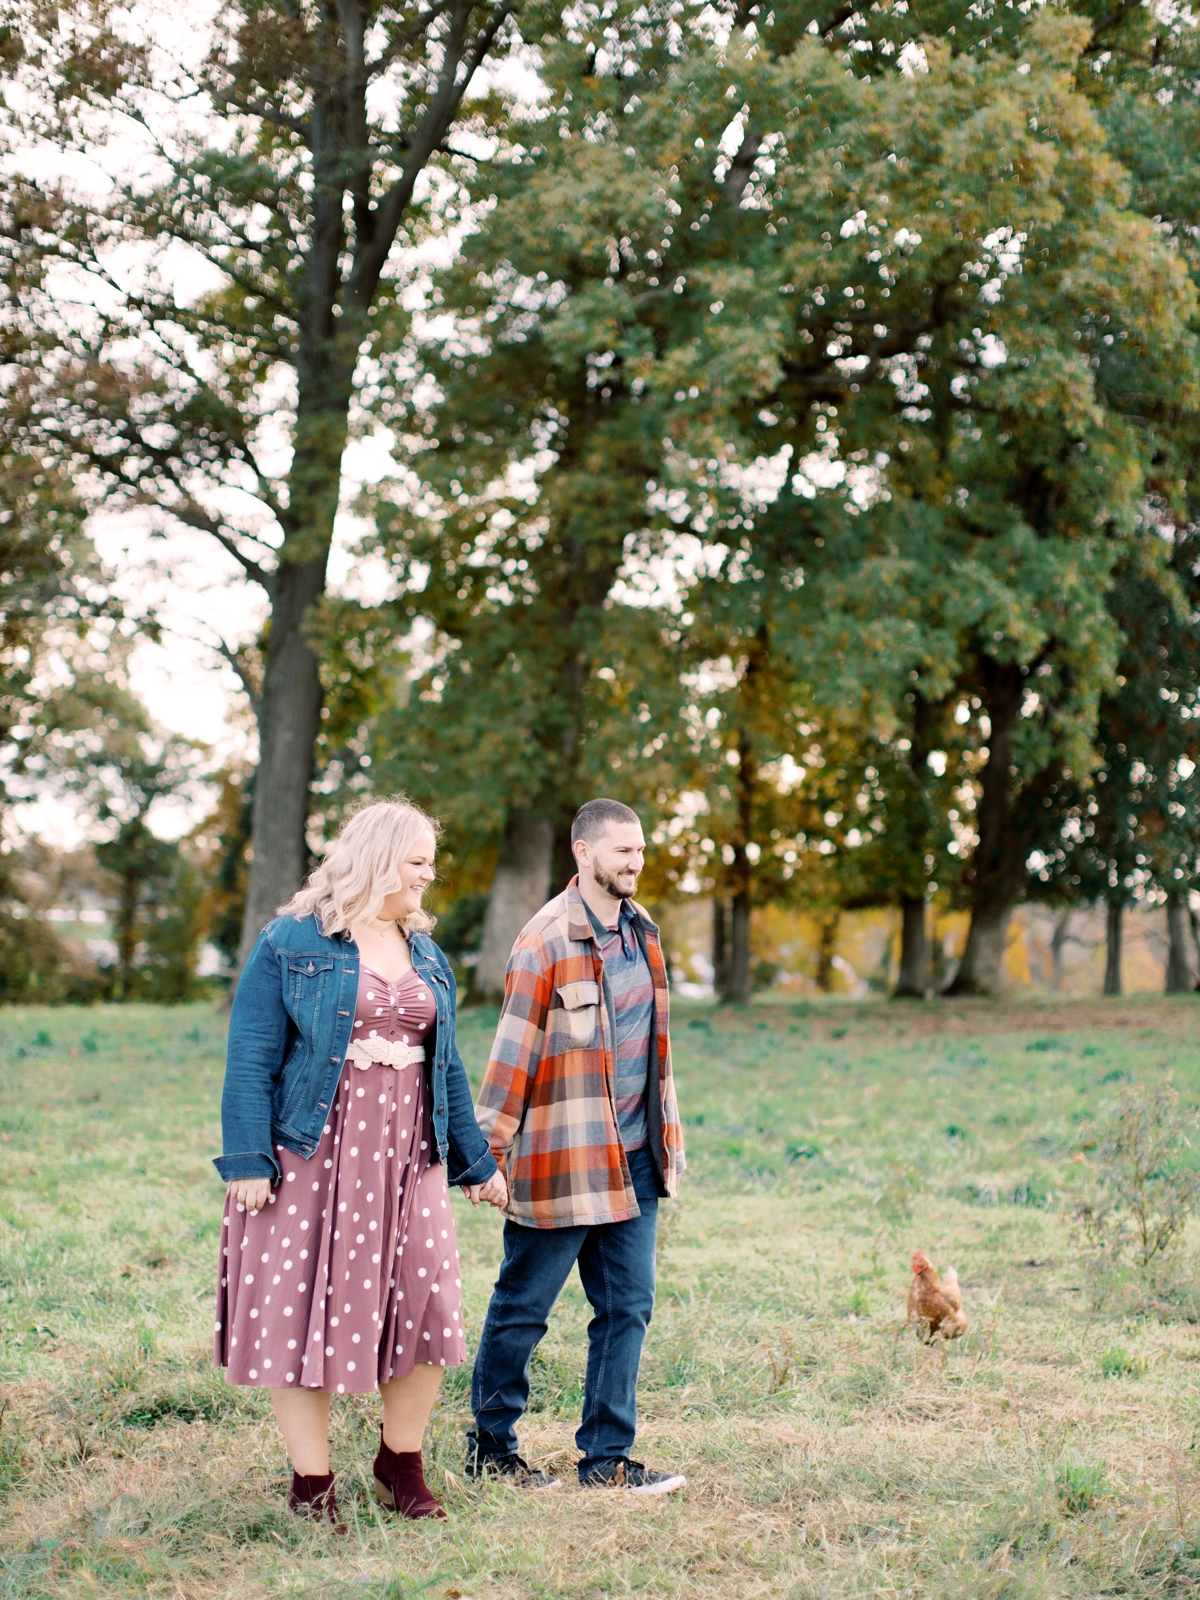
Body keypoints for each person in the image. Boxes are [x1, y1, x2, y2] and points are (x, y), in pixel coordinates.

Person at [213, 798, 507, 1529]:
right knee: (299, 1310)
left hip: (412, 1155)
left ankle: (398, 1462)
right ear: (378, 859)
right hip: (313, 1154)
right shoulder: (290, 941)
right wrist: (249, 1159)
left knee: (429, 1305)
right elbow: (250, 1054)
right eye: (417, 862)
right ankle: (312, 1483)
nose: (428, 876)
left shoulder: (426, 952)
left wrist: (478, 1164)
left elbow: (450, 1067)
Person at [466, 798, 687, 1494]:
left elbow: (655, 1055)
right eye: (621, 850)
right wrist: (486, 1157)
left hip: (635, 1160)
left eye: (641, 850)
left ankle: (607, 1461)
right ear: (583, 853)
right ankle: (491, 1449)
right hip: (563, 1159)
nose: (635, 862)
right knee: (523, 1308)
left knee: (628, 1308)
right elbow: (511, 1057)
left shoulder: (642, 932)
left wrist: (669, 1140)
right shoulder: (543, 942)